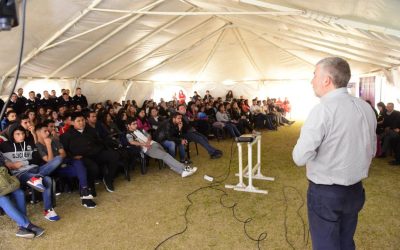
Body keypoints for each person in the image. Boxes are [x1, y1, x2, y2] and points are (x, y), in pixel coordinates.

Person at [292, 57, 376, 250]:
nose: (311, 80)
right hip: (355, 190)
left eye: (314, 75)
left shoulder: (322, 110)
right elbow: (371, 150)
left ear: (326, 80)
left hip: (326, 193)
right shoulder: (365, 107)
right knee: (346, 243)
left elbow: (299, 157)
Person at [125, 118, 197, 177]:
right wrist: (144, 144)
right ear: (128, 125)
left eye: (136, 123)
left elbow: (149, 135)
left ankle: (181, 172)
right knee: (165, 156)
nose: (136, 125)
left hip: (153, 143)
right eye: (133, 124)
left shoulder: (140, 129)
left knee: (165, 156)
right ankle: (185, 168)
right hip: (148, 148)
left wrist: (148, 141)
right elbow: (132, 142)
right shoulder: (128, 134)